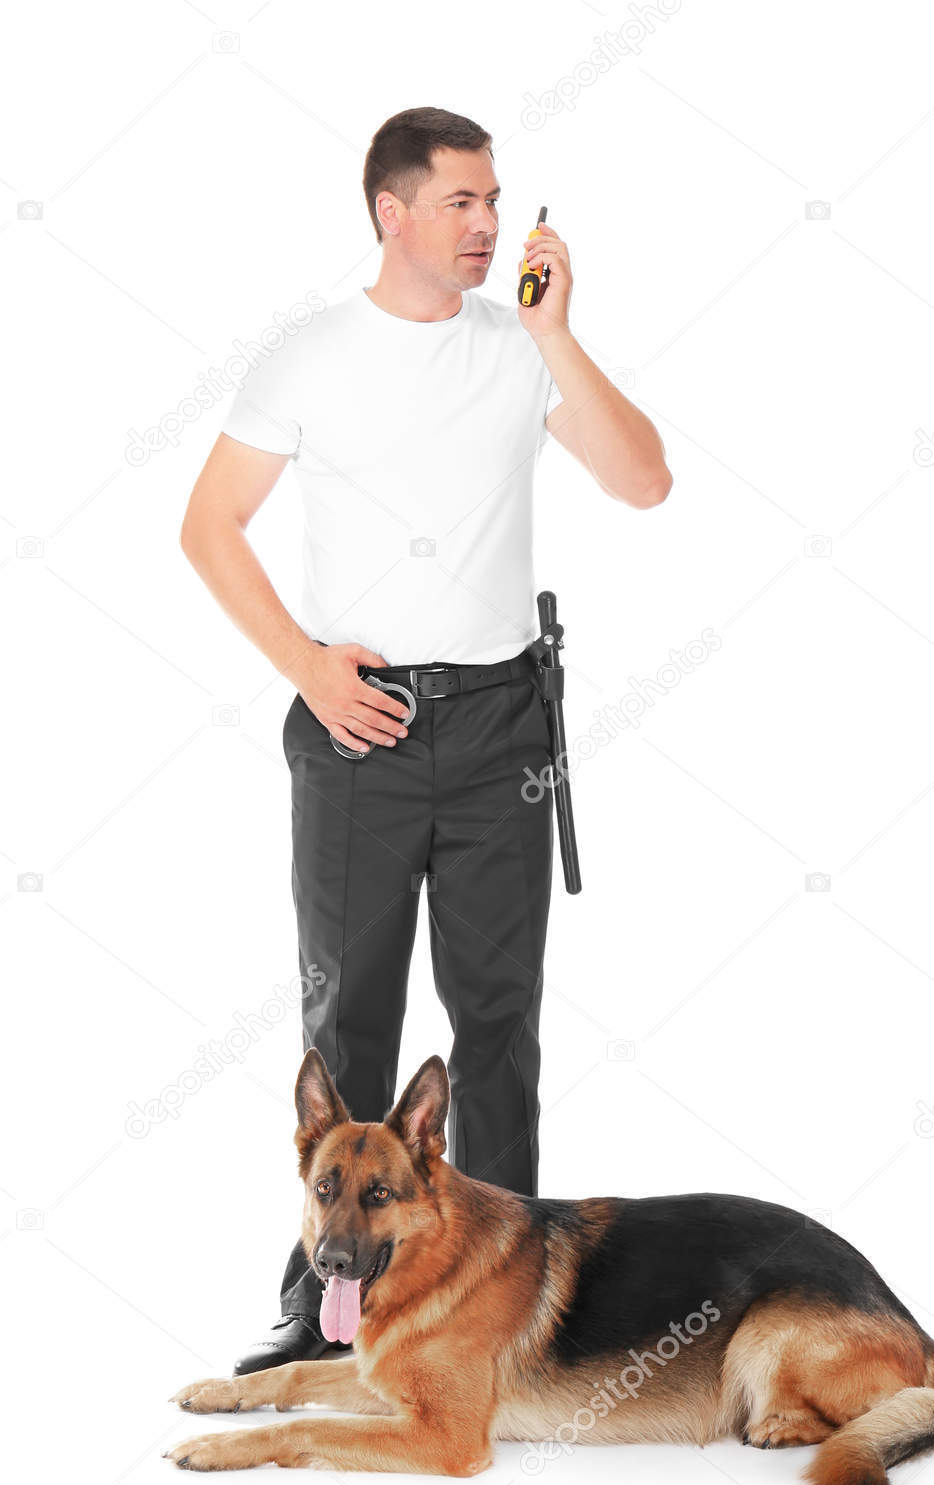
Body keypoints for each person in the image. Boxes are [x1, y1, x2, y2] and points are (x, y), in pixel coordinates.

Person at [180, 106, 672, 1375]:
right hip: (361, 727)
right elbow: (210, 526)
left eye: (495, 200)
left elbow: (644, 479)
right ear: (391, 213)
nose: (489, 224)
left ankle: (503, 1306)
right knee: (349, 1025)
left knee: (498, 1023)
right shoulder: (308, 356)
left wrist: (558, 334)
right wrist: (306, 667)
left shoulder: (519, 351)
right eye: (461, 201)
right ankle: (324, 1296)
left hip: (504, 714)